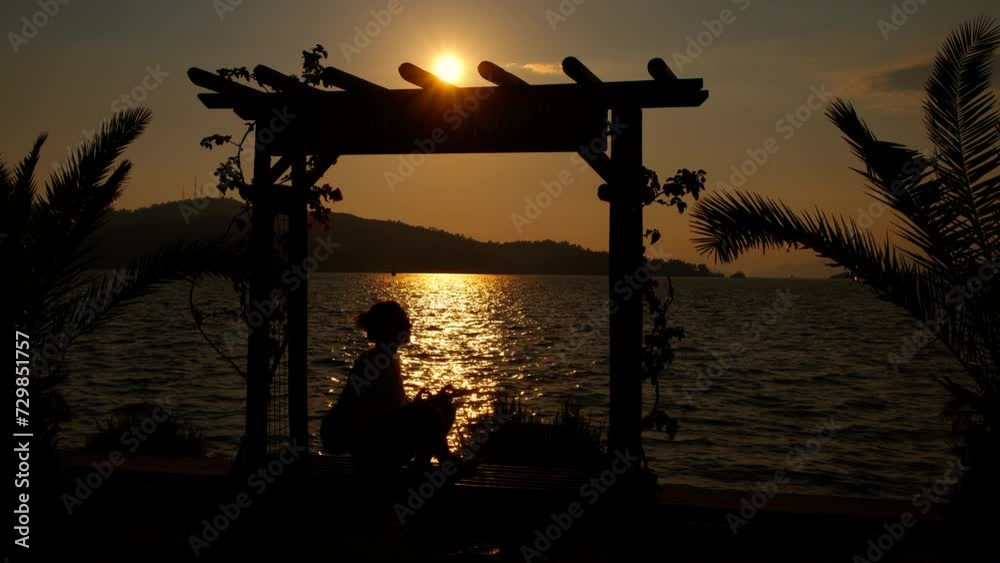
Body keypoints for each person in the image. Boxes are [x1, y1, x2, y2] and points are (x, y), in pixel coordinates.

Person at [328, 301, 457, 475]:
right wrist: (419, 409)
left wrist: (420, 404)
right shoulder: (371, 363)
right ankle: (443, 465)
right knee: (431, 414)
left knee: (446, 408)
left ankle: (421, 466)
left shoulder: (388, 361)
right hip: (372, 448)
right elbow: (371, 415)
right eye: (404, 323)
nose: (409, 327)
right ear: (389, 329)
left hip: (386, 436)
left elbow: (392, 410)